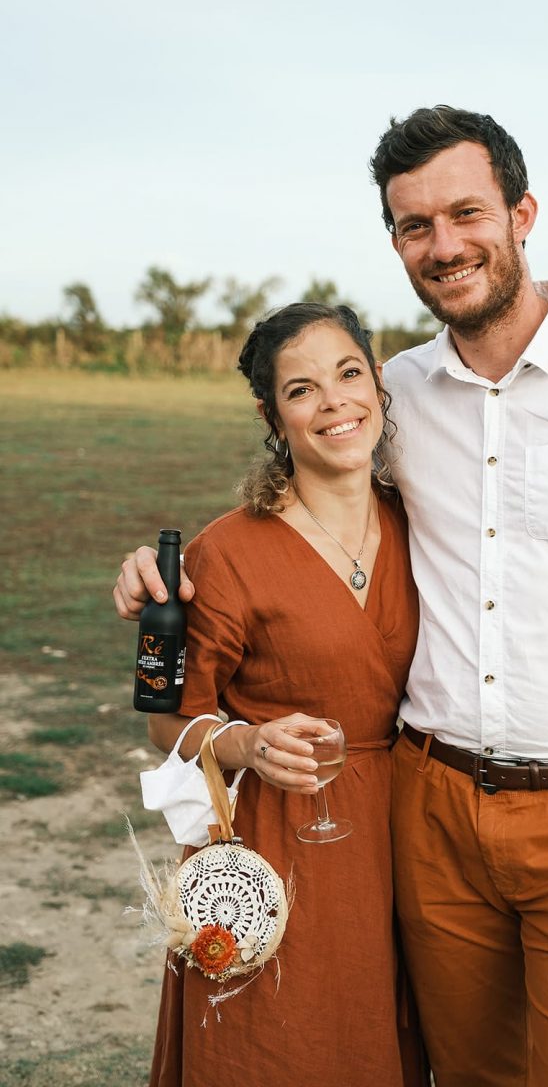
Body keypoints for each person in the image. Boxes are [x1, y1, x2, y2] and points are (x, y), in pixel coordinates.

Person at [115, 107, 548, 1087]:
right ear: (396, 243)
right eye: (415, 225)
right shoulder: (401, 391)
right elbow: (301, 503)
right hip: (431, 816)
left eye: (466, 213)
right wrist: (157, 571)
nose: (444, 244)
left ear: (522, 214)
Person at [126, 301, 426, 1087]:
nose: (334, 403)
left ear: (378, 382)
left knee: (375, 1039)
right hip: (276, 840)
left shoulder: (422, 522)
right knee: (278, 1046)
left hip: (404, 833)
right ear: (272, 416)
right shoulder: (227, 553)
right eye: (302, 390)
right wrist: (247, 743)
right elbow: (167, 721)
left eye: (348, 374)